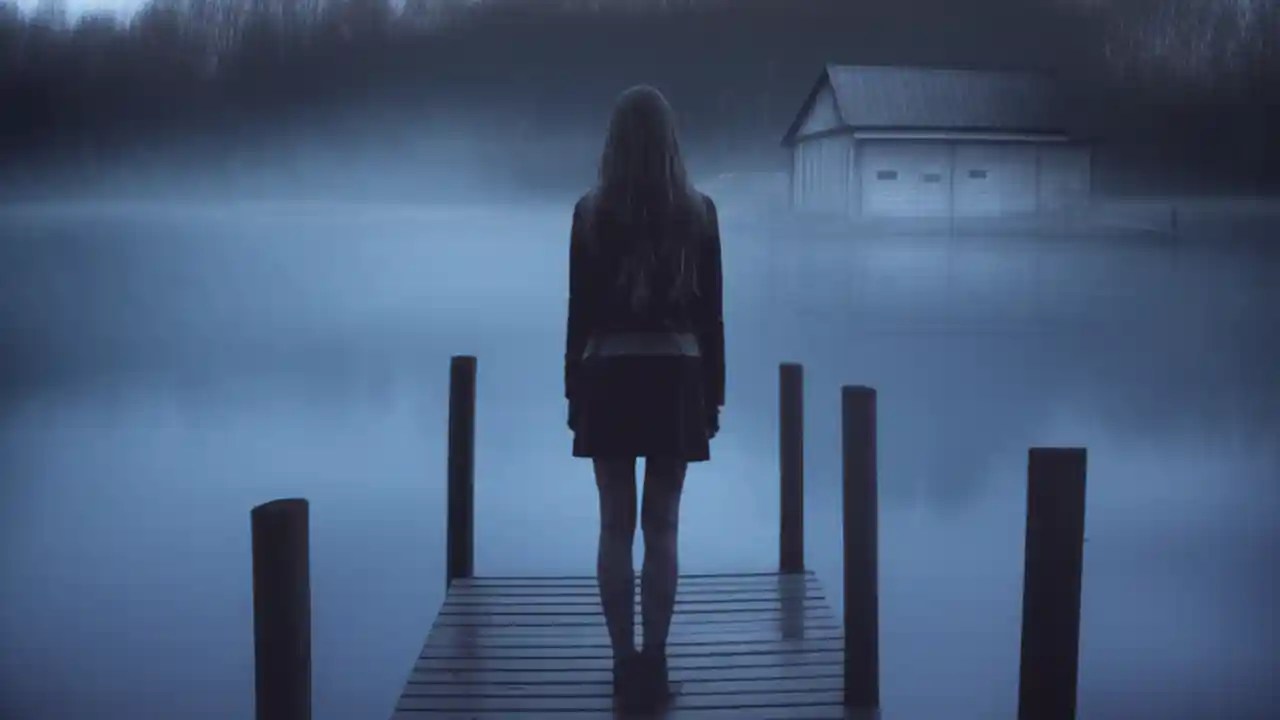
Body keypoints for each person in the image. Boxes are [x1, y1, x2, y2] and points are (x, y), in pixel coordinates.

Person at [563, 84, 724, 714]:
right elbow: (712, 318)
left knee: (613, 525)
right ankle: (654, 663)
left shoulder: (589, 212)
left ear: (614, 142)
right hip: (675, 378)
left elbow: (578, 314)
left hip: (607, 375)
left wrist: (572, 391)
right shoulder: (700, 212)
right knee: (663, 525)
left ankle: (622, 664)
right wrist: (713, 398)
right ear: (670, 140)